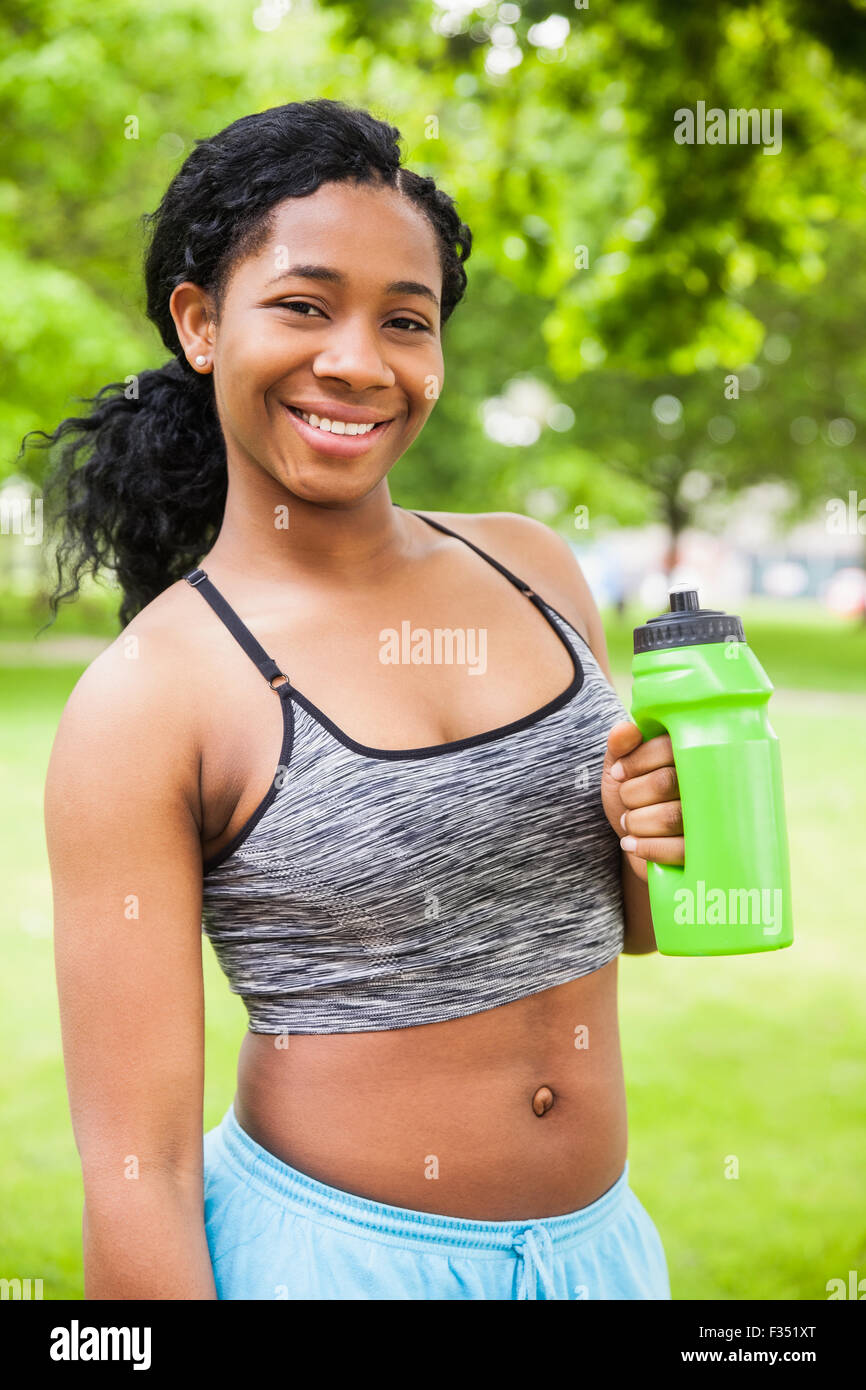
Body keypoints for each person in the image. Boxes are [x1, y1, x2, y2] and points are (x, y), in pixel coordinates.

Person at [38, 99, 684, 1301]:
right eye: (302, 304)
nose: (358, 360)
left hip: (598, 1252)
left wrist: (658, 832)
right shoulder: (151, 696)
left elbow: (626, 927)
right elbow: (139, 1166)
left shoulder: (533, 569)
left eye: (405, 320)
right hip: (336, 1263)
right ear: (198, 322)